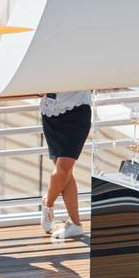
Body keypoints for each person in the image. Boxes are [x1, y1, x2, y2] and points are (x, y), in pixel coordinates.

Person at [39, 90, 93, 240]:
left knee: (63, 169)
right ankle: (75, 224)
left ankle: (47, 203)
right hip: (50, 111)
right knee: (65, 173)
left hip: (77, 110)